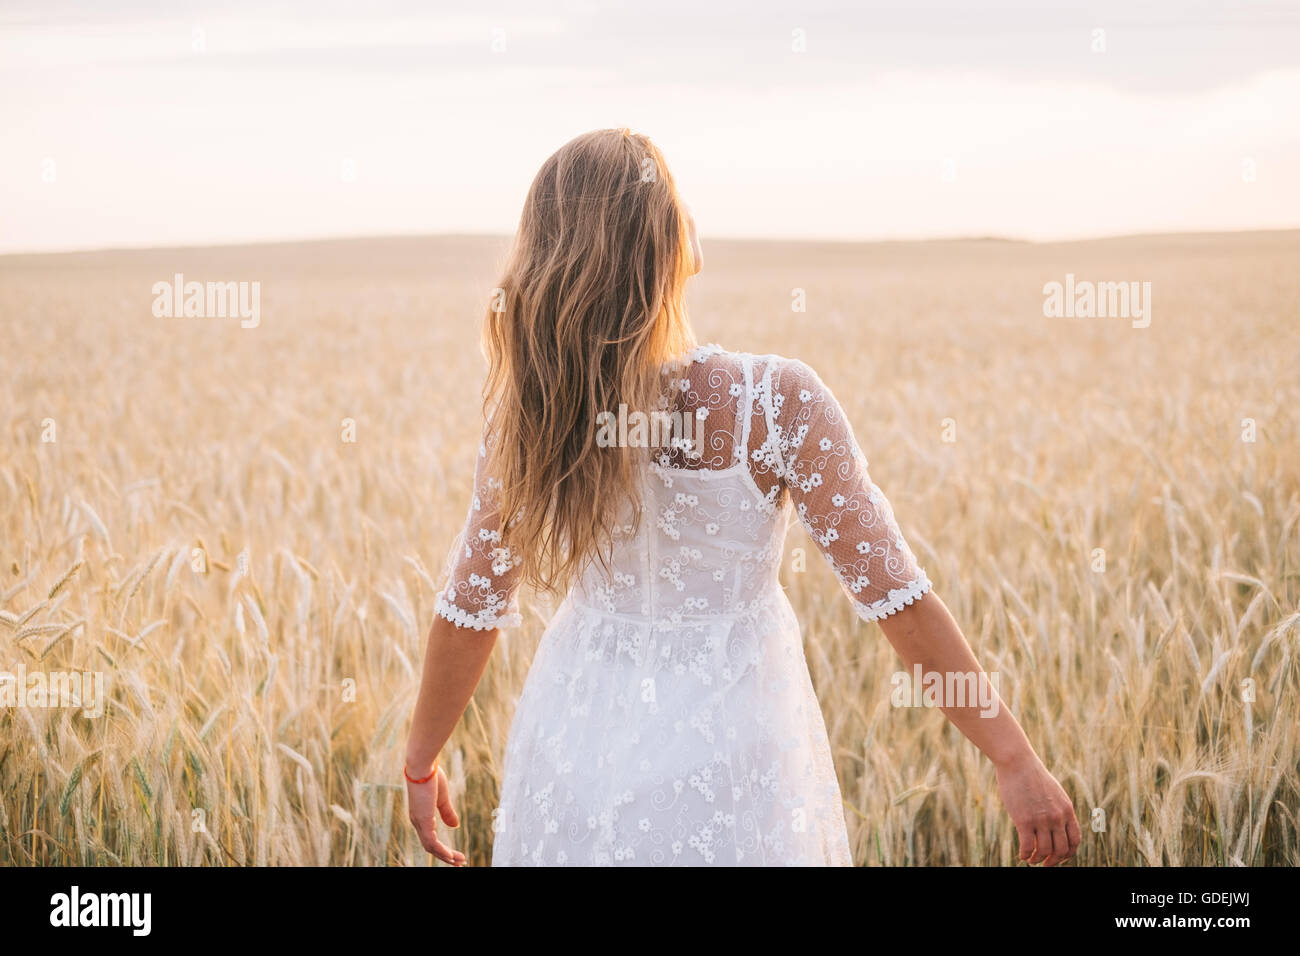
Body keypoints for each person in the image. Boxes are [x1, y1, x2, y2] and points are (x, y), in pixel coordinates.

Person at [404, 128, 1080, 867]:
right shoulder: (775, 401)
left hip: (576, 734)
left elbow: (470, 606)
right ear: (664, 239)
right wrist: (1013, 759)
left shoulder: (534, 411)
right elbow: (896, 597)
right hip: (734, 746)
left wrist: (420, 760)